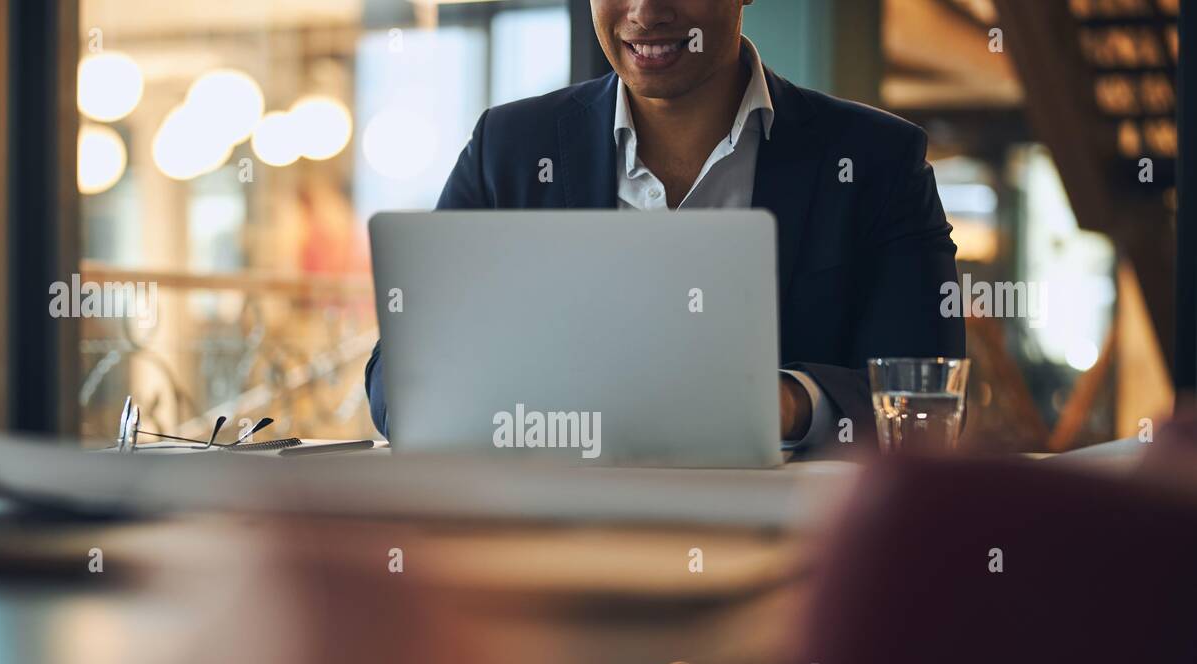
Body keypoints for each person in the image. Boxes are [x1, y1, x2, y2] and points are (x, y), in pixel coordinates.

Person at [365, 0, 964, 449]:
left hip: (795, 563)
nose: (646, 12)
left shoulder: (877, 160)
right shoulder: (510, 149)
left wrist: (784, 402)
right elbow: (400, 375)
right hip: (548, 551)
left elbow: (925, 401)